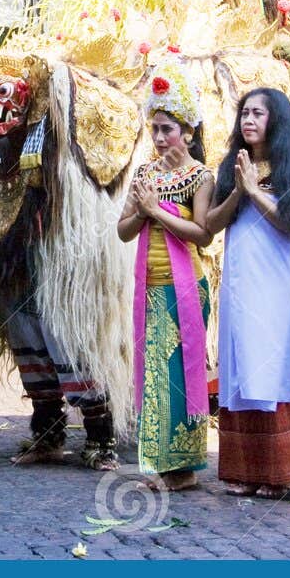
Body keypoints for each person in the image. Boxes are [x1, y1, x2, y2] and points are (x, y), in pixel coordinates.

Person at [203, 87, 290, 498]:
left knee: (269, 365)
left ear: (277, 121)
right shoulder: (232, 166)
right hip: (239, 282)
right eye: (244, 113)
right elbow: (210, 227)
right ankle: (245, 472)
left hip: (277, 284)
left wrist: (255, 191)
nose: (248, 121)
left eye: (258, 114)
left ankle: (279, 475)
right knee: (240, 365)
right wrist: (237, 189)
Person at [117, 52, 214, 491]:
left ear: (188, 133)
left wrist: (157, 210)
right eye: (154, 129)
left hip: (185, 288)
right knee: (154, 373)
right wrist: (141, 212)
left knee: (179, 371)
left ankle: (184, 467)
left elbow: (202, 233)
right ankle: (160, 465)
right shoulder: (143, 174)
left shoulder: (200, 176)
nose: (158, 138)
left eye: (167, 130)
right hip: (151, 287)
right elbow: (123, 231)